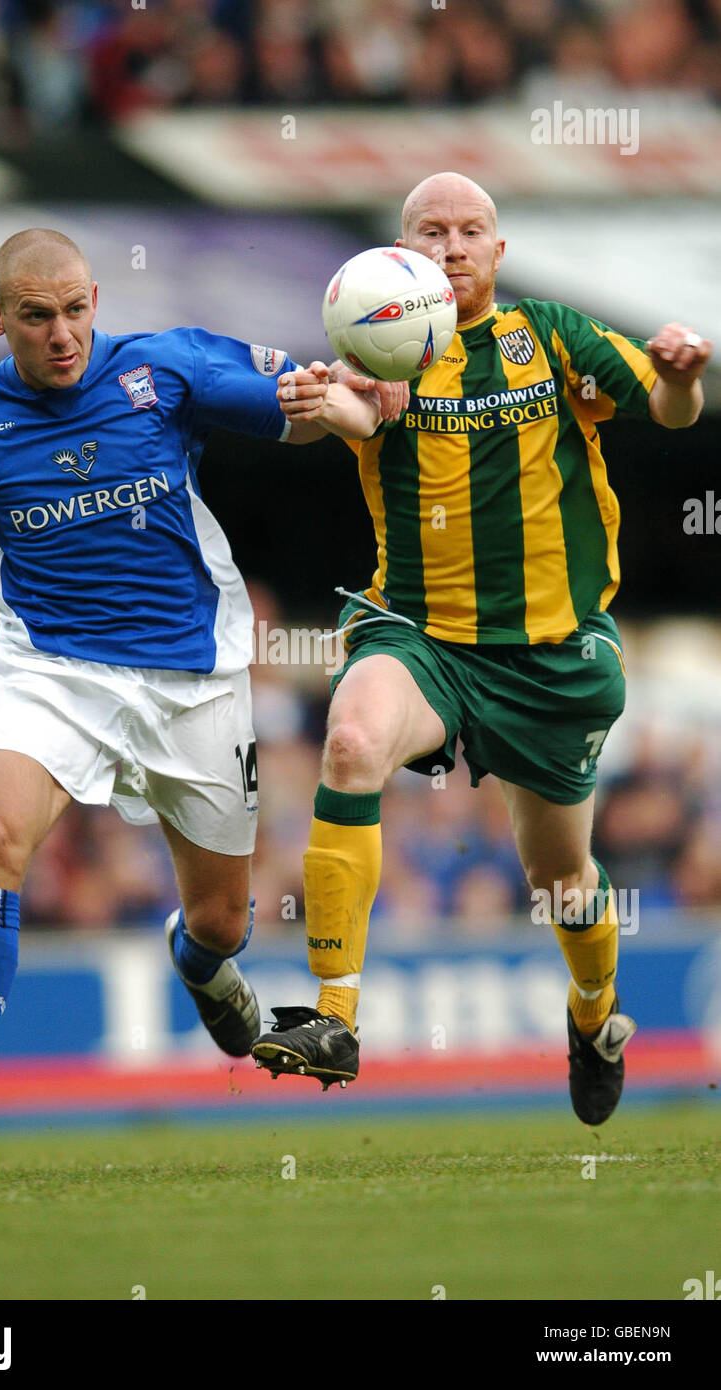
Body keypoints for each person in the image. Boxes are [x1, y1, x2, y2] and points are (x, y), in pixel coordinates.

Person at [0, 227, 381, 1168]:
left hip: (195, 680)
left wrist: (328, 401)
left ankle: (199, 962)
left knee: (222, 921)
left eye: (74, 311)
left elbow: (297, 418)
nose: (61, 334)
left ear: (96, 301)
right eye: (36, 317)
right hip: (52, 672)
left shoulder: (164, 369)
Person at [251, 172, 712, 1125]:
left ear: (498, 251)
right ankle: (334, 1016)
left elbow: (670, 411)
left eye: (470, 231)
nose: (452, 246)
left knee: (561, 880)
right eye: (432, 231)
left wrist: (678, 377)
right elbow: (350, 414)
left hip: (549, 655)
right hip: (420, 634)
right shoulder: (379, 345)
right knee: (351, 742)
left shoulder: (550, 336)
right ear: (403, 249)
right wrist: (313, 406)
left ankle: (592, 1015)